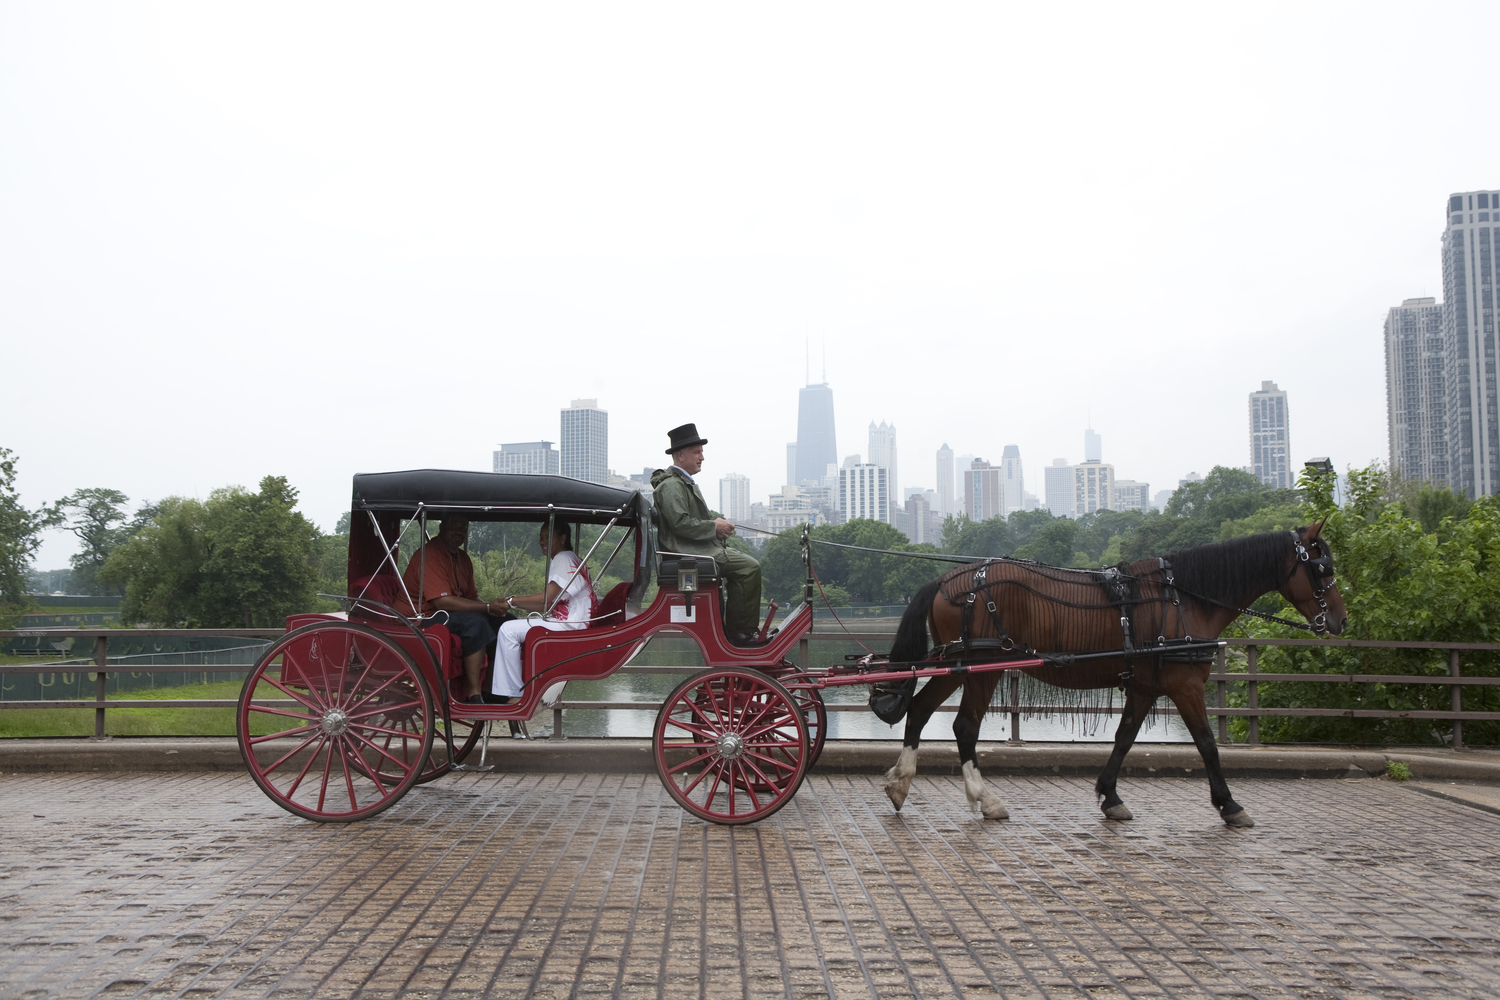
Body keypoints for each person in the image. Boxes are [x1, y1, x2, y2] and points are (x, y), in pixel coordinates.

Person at [650, 422, 763, 645]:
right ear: (680, 455)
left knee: (746, 564)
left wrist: (717, 530)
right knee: (749, 568)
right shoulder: (672, 485)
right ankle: (740, 633)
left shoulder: (682, 483)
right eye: (697, 452)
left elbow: (687, 522)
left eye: (702, 452)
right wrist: (714, 527)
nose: (702, 457)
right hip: (688, 554)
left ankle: (735, 630)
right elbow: (680, 523)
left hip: (698, 550)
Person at [398, 517, 511, 703]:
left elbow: (471, 596)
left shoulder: (463, 558)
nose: (458, 532)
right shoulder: (431, 555)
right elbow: (442, 602)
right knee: (475, 623)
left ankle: (490, 687)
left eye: (463, 528)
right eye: (454, 526)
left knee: (504, 622)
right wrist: (487, 607)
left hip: (445, 614)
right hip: (421, 618)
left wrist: (492, 609)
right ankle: (473, 694)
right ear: (442, 527)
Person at [489, 521, 600, 703]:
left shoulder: (563, 558)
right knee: (512, 627)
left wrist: (511, 600)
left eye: (547, 537)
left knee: (508, 630)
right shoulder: (570, 558)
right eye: (540, 538)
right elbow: (547, 605)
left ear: (562, 539)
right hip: (573, 623)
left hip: (570, 625)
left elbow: (546, 598)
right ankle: (514, 689)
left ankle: (514, 695)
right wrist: (514, 605)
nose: (542, 542)